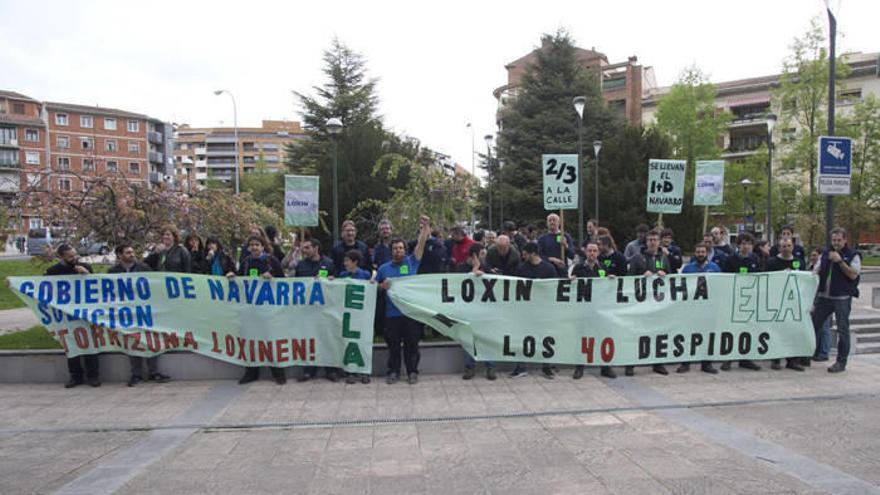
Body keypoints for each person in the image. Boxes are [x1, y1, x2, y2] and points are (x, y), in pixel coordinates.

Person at [375, 215, 431, 385]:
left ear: (405, 250)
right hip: (391, 314)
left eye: (400, 248)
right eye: (395, 248)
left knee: (411, 345)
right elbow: (374, 287)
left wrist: (425, 227)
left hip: (410, 314)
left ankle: (412, 372)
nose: (398, 251)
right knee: (393, 346)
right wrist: (381, 286)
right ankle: (393, 371)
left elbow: (421, 244)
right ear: (391, 251)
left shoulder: (412, 262)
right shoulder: (383, 269)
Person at [108, 242, 172, 386]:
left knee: (150, 339)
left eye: (132, 252)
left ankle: (153, 372)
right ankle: (136, 374)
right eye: (128, 253)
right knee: (132, 341)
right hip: (126, 313)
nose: (132, 255)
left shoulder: (143, 268)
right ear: (119, 255)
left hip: (144, 310)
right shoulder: (113, 272)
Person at [233, 235, 287, 385]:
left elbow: (284, 281)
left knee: (270, 341)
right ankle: (251, 372)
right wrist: (232, 277)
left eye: (257, 244)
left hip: (268, 310)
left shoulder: (271, 261)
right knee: (250, 342)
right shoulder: (245, 262)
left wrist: (272, 277)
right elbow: (240, 282)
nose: (254, 247)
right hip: (250, 311)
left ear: (263, 247)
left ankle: (278, 373)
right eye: (251, 245)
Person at [45, 244, 100, 388]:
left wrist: (87, 274)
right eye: (70, 256)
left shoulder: (85, 267)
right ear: (61, 256)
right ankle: (76, 376)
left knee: (89, 343)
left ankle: (93, 376)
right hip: (66, 314)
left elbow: (96, 285)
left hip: (85, 312)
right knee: (71, 344)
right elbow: (42, 287)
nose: (74, 258)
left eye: (75, 255)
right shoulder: (53, 271)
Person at [812, 228, 861, 373]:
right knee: (813, 324)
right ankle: (807, 354)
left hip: (842, 297)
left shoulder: (853, 255)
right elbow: (816, 270)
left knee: (843, 330)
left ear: (845, 240)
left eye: (839, 240)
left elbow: (853, 275)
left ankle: (841, 362)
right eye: (834, 240)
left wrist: (840, 261)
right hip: (824, 296)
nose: (836, 243)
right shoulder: (826, 253)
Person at [625, 229, 670, 376]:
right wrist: (641, 276)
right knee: (636, 333)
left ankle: (658, 363)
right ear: (646, 242)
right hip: (641, 303)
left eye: (655, 240)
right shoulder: (637, 258)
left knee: (658, 333)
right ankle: (630, 364)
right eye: (650, 239)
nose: (652, 242)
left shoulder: (664, 258)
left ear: (659, 242)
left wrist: (665, 274)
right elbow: (629, 278)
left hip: (658, 304)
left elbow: (671, 278)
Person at [571, 241, 617, 380]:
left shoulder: (603, 267)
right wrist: (572, 280)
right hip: (584, 309)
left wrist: (611, 280)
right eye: (589, 250)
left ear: (598, 252)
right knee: (582, 338)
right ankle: (579, 367)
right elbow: (572, 287)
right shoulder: (578, 268)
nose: (592, 253)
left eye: (594, 251)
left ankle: (605, 367)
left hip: (599, 310)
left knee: (602, 337)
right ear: (585, 252)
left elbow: (608, 288)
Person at [511, 242, 558, 379]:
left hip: (543, 309)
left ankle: (547, 367)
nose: (523, 256)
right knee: (522, 336)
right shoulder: (521, 268)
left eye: (525, 254)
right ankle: (521, 367)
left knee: (545, 337)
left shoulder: (549, 268)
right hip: (526, 309)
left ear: (532, 253)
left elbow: (554, 287)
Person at [294, 239, 338, 382]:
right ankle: (309, 370)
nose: (304, 250)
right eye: (303, 248)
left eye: (307, 247)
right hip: (307, 309)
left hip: (325, 308)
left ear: (316, 248)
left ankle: (330, 370)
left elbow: (337, 283)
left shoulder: (329, 263)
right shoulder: (301, 265)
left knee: (327, 338)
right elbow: (295, 285)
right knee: (309, 339)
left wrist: (332, 279)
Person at [676, 243, 720, 375]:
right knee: (688, 335)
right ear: (695, 253)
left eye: (703, 252)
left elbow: (720, 285)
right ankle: (685, 363)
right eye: (698, 252)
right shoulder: (687, 268)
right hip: (691, 308)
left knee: (708, 336)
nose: (700, 254)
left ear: (707, 253)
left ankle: (706, 364)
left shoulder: (714, 268)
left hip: (708, 308)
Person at [721, 232, 762, 372]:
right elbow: (724, 278)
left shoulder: (756, 259)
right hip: (734, 298)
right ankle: (728, 358)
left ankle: (745, 358)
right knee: (732, 329)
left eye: (749, 244)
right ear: (738, 245)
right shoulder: (730, 259)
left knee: (748, 329)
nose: (746, 246)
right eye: (743, 243)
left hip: (749, 300)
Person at [766, 238, 807, 372]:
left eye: (789, 246)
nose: (786, 248)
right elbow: (767, 279)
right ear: (779, 248)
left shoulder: (799, 262)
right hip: (777, 301)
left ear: (793, 247)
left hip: (793, 302)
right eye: (783, 246)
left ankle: (792, 360)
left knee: (793, 331)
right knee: (777, 331)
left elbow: (804, 280)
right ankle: (775, 359)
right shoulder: (772, 262)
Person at [457, 243, 497, 380]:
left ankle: (490, 366)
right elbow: (458, 284)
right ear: (475, 255)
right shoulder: (461, 268)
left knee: (487, 338)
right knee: (468, 339)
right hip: (468, 311)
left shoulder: (486, 267)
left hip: (484, 310)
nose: (484, 257)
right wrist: (473, 271)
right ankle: (469, 367)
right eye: (482, 254)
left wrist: (484, 274)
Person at [337, 250, 373, 385]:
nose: (345, 263)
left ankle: (364, 371)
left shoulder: (365, 275)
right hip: (348, 315)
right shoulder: (342, 275)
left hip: (362, 315)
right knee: (348, 342)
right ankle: (350, 371)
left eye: (347, 261)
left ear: (355, 262)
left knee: (363, 342)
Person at [807, 247, 833, 361]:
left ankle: (824, 352)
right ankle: (816, 350)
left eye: (815, 255)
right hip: (814, 298)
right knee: (817, 326)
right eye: (811, 255)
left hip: (824, 298)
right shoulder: (811, 267)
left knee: (825, 327)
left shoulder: (823, 267)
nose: (813, 258)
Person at [537, 213, 575, 277]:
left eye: (554, 220)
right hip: (547, 272)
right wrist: (553, 259)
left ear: (559, 222)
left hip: (562, 272)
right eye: (550, 220)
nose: (552, 222)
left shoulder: (565, 236)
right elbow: (539, 257)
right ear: (547, 223)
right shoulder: (542, 238)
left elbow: (572, 255)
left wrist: (565, 245)